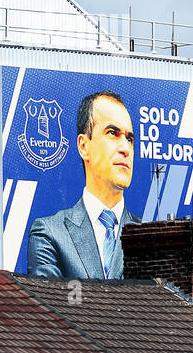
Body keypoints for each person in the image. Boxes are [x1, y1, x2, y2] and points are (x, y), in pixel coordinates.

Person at [27, 91, 140, 278]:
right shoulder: (51, 233)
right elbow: (53, 302)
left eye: (129, 138)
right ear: (84, 146)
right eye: (112, 133)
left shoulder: (154, 241)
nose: (125, 148)